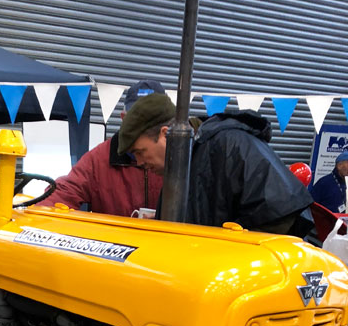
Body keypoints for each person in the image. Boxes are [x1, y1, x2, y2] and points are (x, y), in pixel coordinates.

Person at [118, 94, 313, 235]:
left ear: (165, 134)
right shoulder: (181, 166)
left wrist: (231, 250)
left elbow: (284, 213)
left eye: (140, 152)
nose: (139, 162)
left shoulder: (230, 144)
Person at [40, 79, 166, 217]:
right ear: (124, 118)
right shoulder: (99, 160)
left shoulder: (182, 161)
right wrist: (40, 214)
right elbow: (64, 192)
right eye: (138, 119)